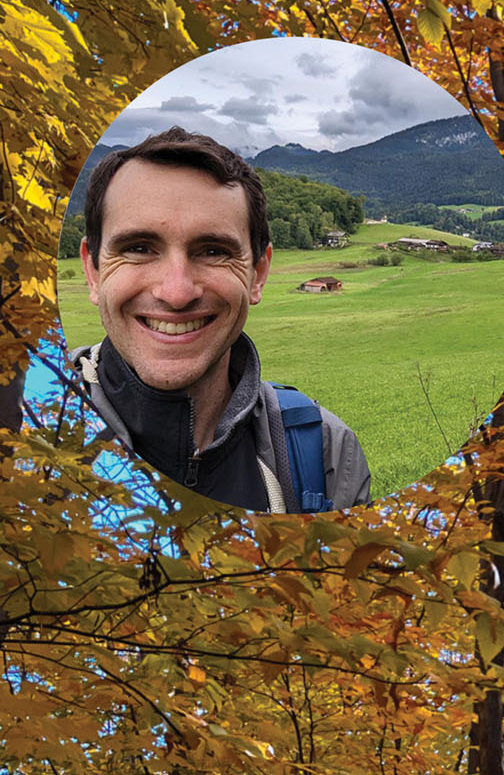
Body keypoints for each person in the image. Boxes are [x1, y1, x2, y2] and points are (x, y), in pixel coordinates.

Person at [73, 127, 369, 512]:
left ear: (257, 275)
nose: (176, 292)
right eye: (139, 248)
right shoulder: (28, 428)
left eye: (213, 251)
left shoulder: (326, 452)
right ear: (93, 271)